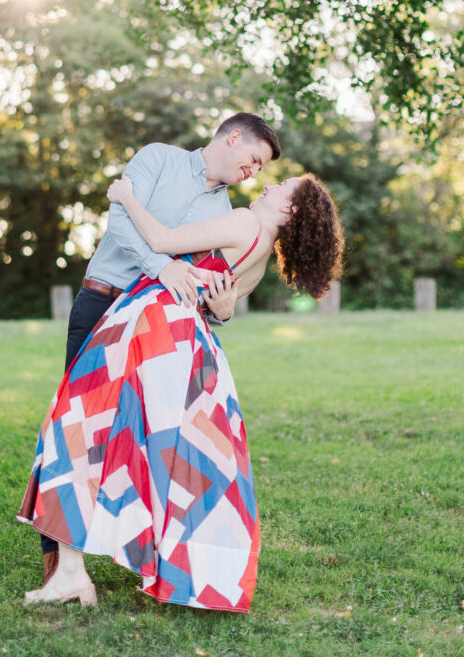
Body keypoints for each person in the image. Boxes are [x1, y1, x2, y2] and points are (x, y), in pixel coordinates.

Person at [17, 169, 344, 611]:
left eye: (280, 186)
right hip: (185, 343)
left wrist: (126, 196)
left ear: (291, 209)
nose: (267, 185)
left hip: (150, 328)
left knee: (80, 430)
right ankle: (106, 569)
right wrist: (224, 313)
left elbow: (162, 242)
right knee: (156, 453)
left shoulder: (245, 223)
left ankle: (72, 573)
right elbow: (215, 311)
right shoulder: (261, 255)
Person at [36, 113, 282, 582]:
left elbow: (209, 291)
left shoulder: (231, 215)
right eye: (254, 160)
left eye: (261, 169)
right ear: (233, 138)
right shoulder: (158, 158)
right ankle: (59, 568)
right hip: (100, 304)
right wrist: (159, 266)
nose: (254, 173)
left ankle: (138, 549)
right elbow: (120, 220)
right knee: (74, 428)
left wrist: (223, 310)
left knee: (137, 438)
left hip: (153, 334)